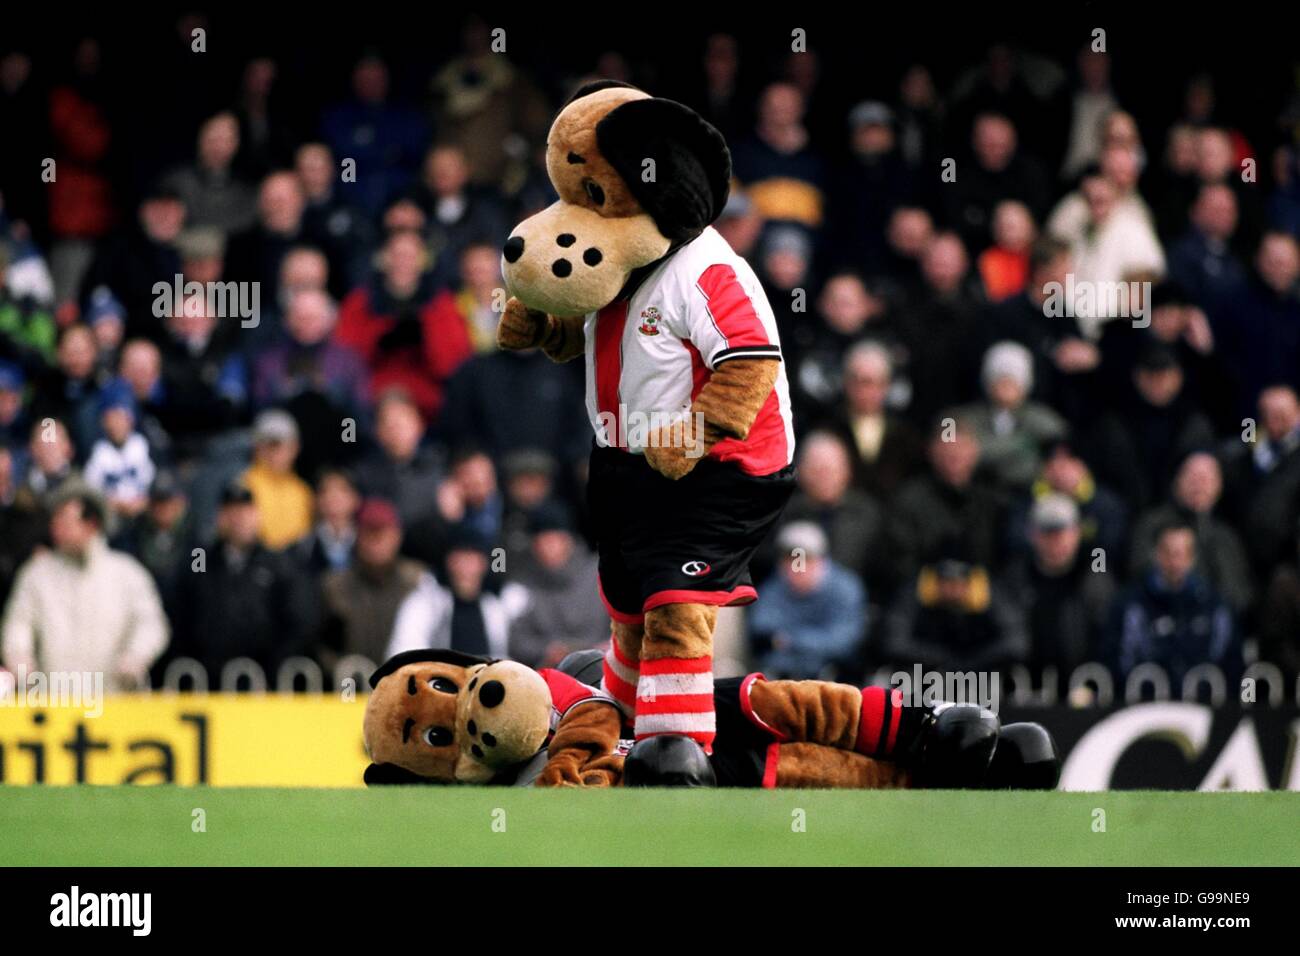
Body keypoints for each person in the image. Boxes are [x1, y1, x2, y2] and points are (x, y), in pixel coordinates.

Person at [1, 484, 168, 690]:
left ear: (91, 524)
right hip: (54, 703)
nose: (56, 526)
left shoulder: (127, 573)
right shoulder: (37, 574)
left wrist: (136, 657)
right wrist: (21, 661)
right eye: (55, 518)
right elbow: (18, 623)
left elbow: (151, 624)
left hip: (113, 702)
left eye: (66, 519)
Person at [168, 477, 318, 682]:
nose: (238, 518)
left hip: (264, 684)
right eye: (231, 511)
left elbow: (298, 622)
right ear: (220, 517)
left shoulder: (279, 564)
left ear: (257, 515)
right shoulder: (200, 563)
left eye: (245, 511)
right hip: (208, 682)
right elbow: (182, 619)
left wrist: (274, 669)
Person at [1111, 520, 1240, 692]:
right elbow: (1117, 662)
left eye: (1182, 553)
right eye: (1168, 552)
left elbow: (1232, 663)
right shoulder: (1132, 604)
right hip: (1146, 709)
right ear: (1156, 554)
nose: (1175, 561)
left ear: (1193, 557)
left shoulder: (1213, 605)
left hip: (1204, 708)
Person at [1005, 494, 1115, 688]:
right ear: (1033, 535)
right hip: (1024, 688)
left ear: (1077, 533)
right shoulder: (1016, 578)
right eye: (1048, 534)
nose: (1056, 542)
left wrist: (1091, 684)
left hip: (1083, 687)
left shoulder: (1094, 578)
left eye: (1063, 533)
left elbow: (1107, 639)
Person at [318, 498, 429, 669]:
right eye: (369, 533)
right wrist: (343, 673)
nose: (376, 542)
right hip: (350, 686)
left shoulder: (418, 581)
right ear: (358, 536)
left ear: (397, 536)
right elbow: (322, 645)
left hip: (403, 686)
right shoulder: (335, 586)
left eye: (382, 534)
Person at [748, 522, 866, 680]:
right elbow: (761, 629)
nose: (798, 569)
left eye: (806, 560)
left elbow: (844, 641)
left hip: (834, 674)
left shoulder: (845, 587)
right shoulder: (774, 587)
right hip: (782, 674)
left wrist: (791, 640)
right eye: (790, 560)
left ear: (821, 560)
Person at [387, 526, 525, 660]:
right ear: (447, 562)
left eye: (471, 560)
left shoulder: (500, 605)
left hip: (489, 680)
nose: (464, 568)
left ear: (483, 564)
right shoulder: (424, 602)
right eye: (458, 560)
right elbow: (404, 649)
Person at [506, 502, 607, 669]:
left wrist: (606, 648)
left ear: (569, 540)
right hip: (547, 674)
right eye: (543, 541)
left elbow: (623, 626)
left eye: (555, 540)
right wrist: (546, 650)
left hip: (600, 669)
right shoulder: (521, 584)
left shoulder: (599, 573)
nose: (549, 548)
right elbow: (515, 641)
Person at [240, 409, 313, 551]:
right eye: (264, 444)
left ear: (295, 447)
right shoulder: (242, 484)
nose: (270, 452)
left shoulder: (303, 491)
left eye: (277, 445)